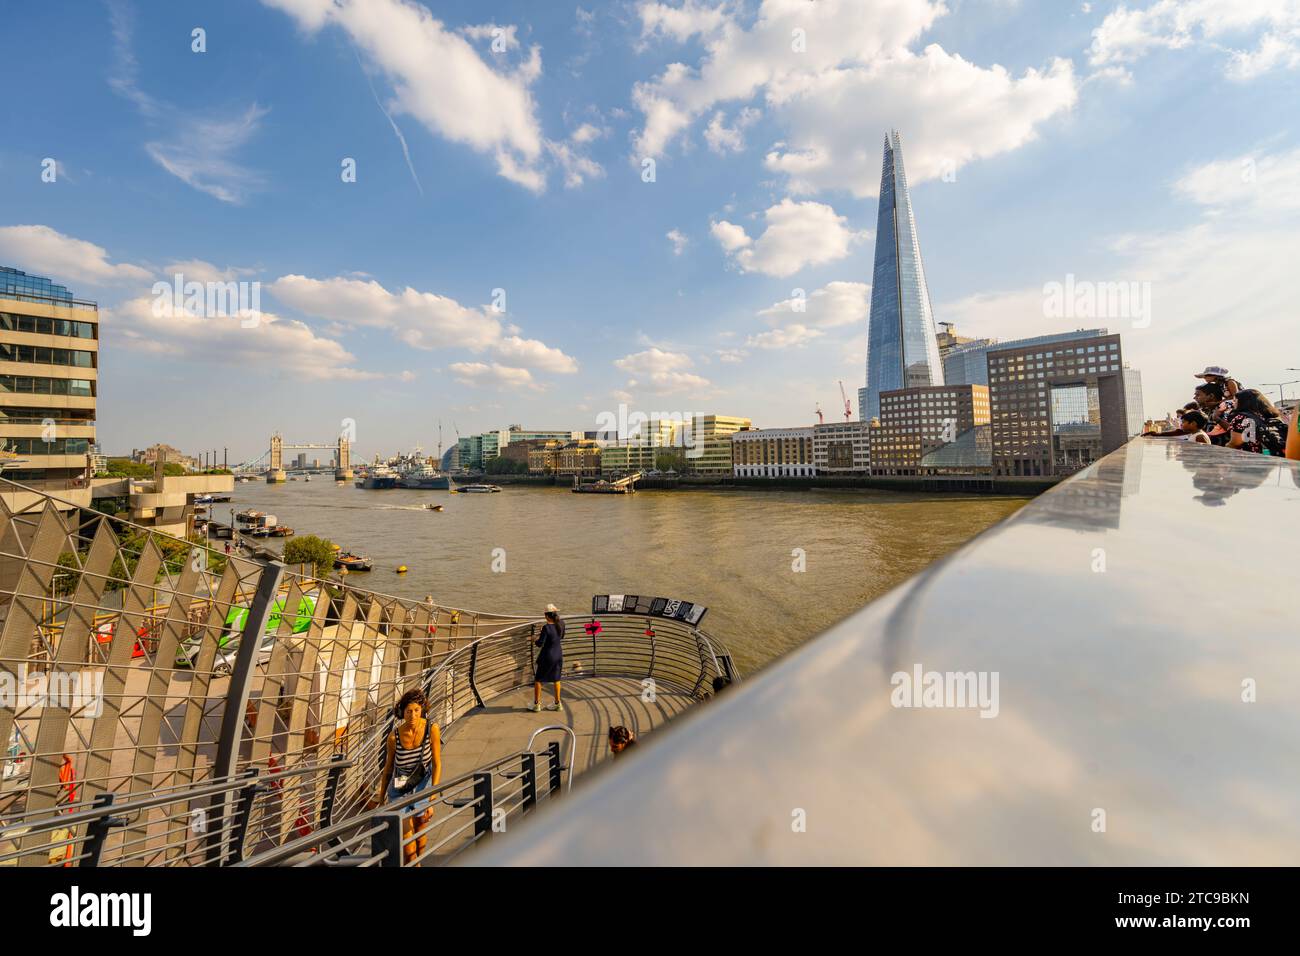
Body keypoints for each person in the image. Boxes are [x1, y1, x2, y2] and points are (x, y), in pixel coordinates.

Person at [375, 689, 441, 865]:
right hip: (399, 789)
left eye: (417, 710)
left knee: (420, 838)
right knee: (408, 844)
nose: (413, 715)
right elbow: (388, 769)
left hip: (422, 786)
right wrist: (382, 797)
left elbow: (437, 763)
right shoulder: (393, 737)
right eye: (408, 711)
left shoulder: (431, 729)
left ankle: (417, 864)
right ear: (402, 712)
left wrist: (432, 796)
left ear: (422, 710)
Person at [1226, 389, 1288, 455]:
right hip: (1274, 456)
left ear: (1242, 402)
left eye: (1235, 401)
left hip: (1251, 459)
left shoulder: (1241, 418)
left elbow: (1235, 444)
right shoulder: (1270, 415)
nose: (1233, 403)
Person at [532, 604, 564, 713]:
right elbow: (561, 636)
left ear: (546, 616)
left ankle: (537, 704)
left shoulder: (546, 628)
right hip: (558, 654)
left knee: (538, 679)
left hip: (547, 656)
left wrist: (534, 639)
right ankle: (558, 704)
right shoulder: (562, 623)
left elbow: (540, 644)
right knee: (556, 679)